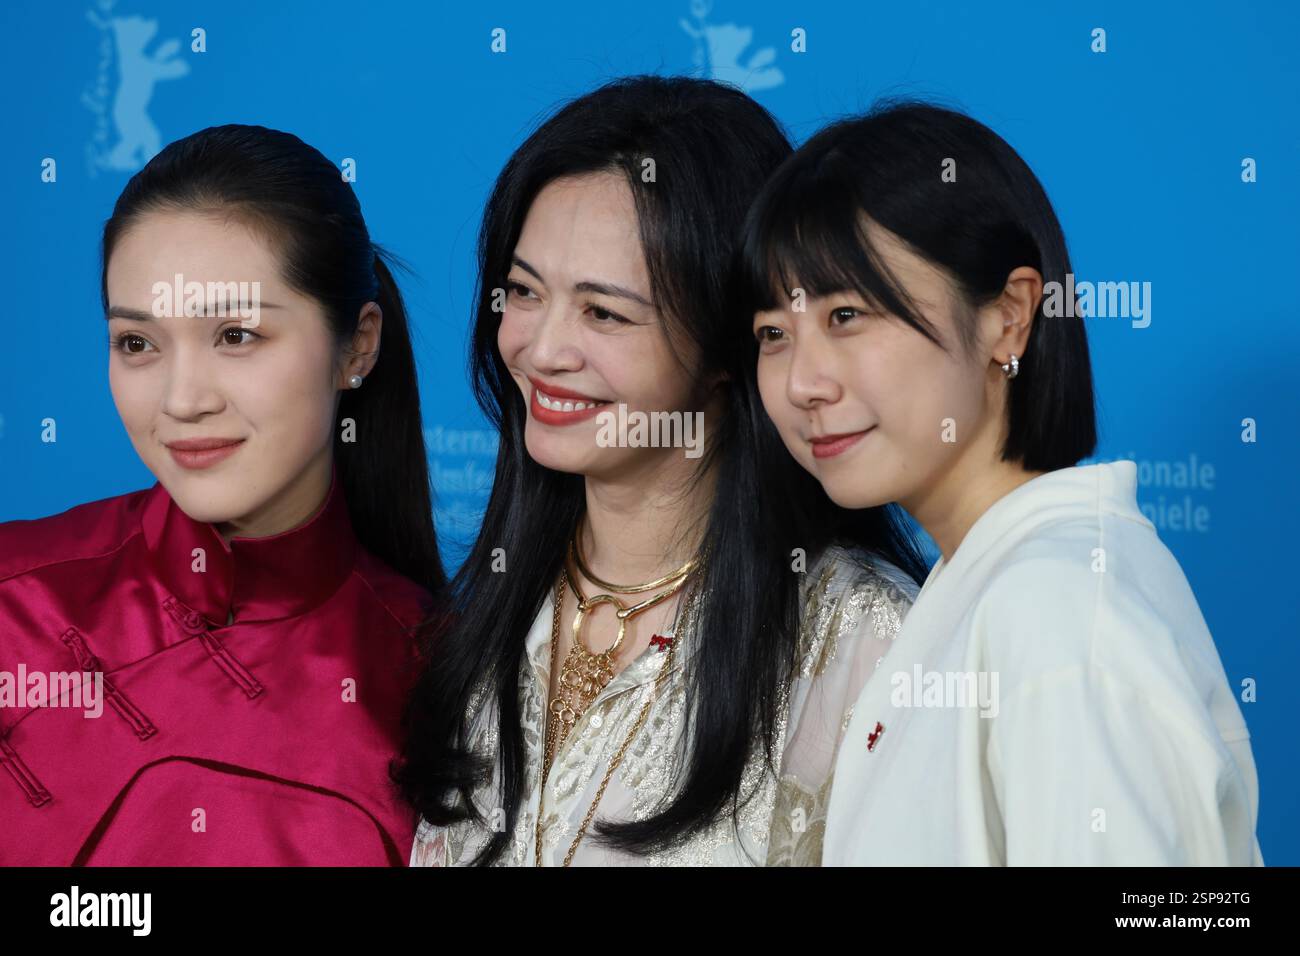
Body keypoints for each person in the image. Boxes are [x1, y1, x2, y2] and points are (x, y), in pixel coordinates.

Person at [395, 76, 927, 867]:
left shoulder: (861, 642)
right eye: (523, 292)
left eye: (603, 312)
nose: (541, 351)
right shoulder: (492, 622)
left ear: (728, 343)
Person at [739, 101, 1262, 865]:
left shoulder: (1053, 604)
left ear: (1009, 317)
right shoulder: (1000, 585)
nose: (803, 383)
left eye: (847, 314)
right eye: (773, 335)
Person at [0, 125, 443, 865]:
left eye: (236, 335)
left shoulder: (446, 681)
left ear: (357, 346)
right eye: (138, 344)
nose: (181, 400)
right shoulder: (14, 605)